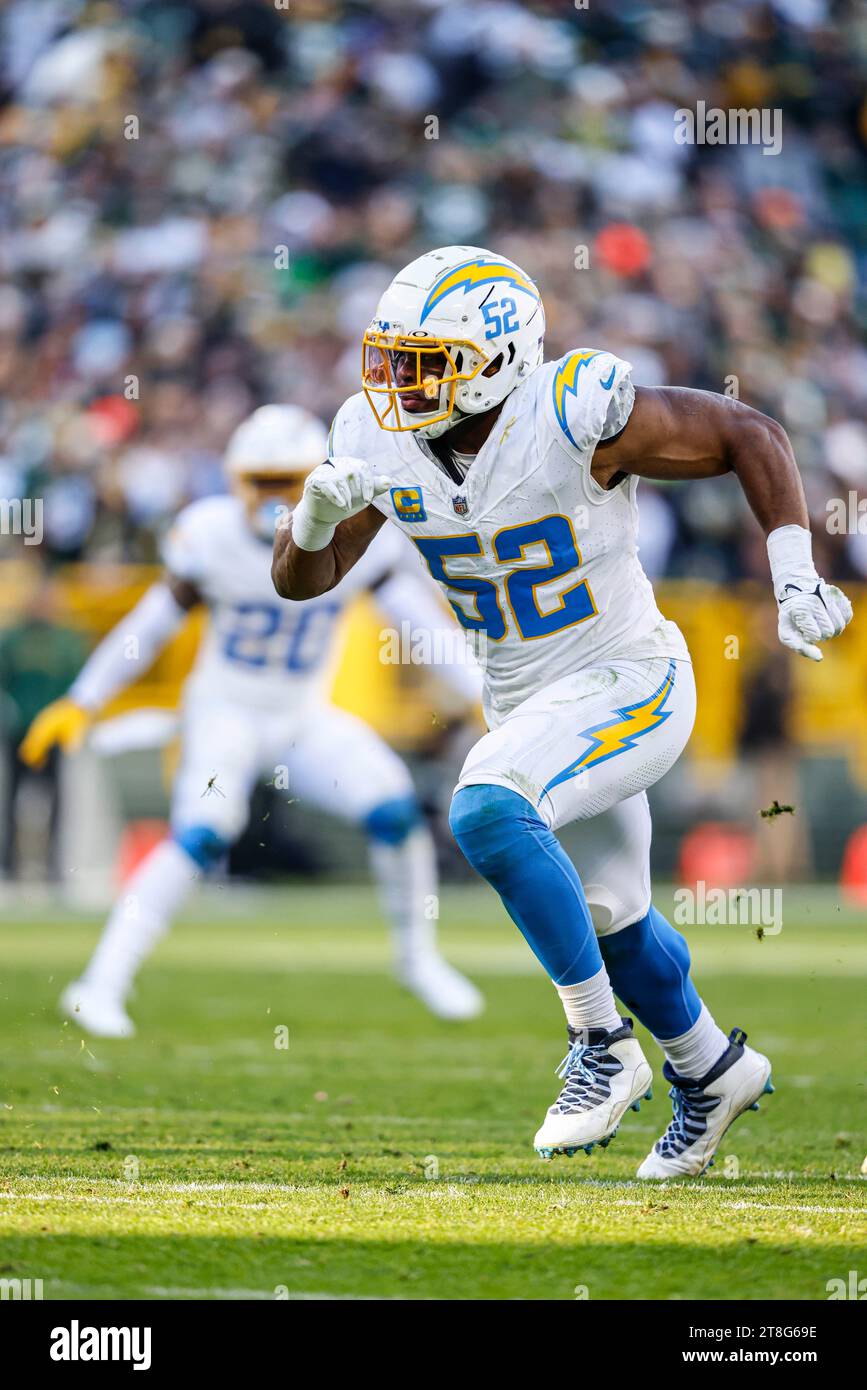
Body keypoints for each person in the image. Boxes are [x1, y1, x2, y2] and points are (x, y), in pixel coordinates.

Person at [272, 245, 854, 1178]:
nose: (396, 382)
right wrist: (307, 520)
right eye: (391, 358)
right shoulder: (372, 436)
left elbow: (752, 433)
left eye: (425, 362)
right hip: (528, 702)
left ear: (498, 360)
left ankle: (601, 1046)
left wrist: (792, 574)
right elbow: (308, 580)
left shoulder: (569, 407)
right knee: (610, 920)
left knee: (486, 807)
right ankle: (712, 1069)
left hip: (629, 677)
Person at [21, 404, 484, 1037]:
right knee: (204, 830)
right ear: (235, 480)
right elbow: (150, 626)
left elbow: (421, 629)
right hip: (226, 712)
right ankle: (99, 983)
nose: (271, 497)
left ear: (314, 479)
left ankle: (417, 959)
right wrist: (85, 698)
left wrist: (485, 692)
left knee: (394, 808)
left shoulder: (355, 536)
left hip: (302, 716)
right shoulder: (207, 534)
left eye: (285, 481)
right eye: (259, 481)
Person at [0, 579, 86, 880]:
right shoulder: (12, 639)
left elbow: (77, 685)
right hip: (20, 730)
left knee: (58, 799)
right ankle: (9, 865)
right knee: (12, 798)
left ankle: (54, 865)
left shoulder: (67, 640)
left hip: (53, 732)